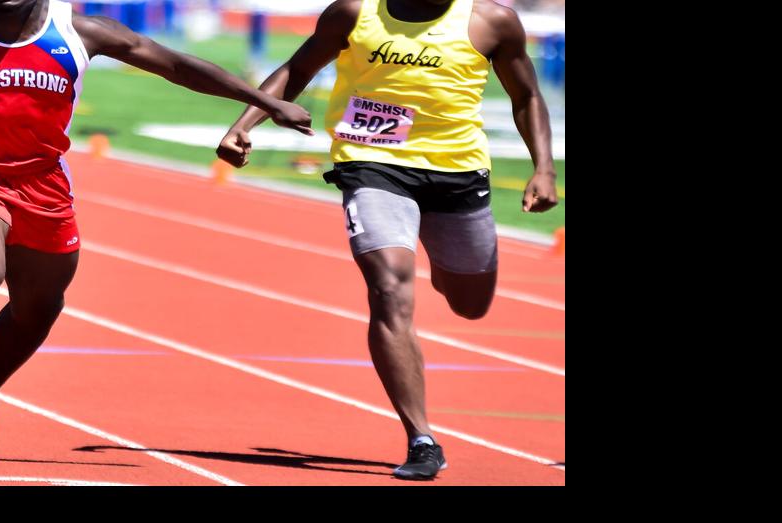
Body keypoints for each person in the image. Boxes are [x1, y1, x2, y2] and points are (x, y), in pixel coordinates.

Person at [0, 0, 311, 459]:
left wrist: (268, 104)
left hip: (43, 181)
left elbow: (175, 64)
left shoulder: (80, 31)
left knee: (40, 308)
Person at [219, 0, 557, 480]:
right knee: (389, 289)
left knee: (469, 302)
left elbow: (527, 97)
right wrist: (243, 125)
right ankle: (421, 438)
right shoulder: (354, 13)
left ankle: (441, 259)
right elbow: (298, 67)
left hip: (457, 172)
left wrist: (542, 168)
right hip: (370, 162)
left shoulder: (491, 20)